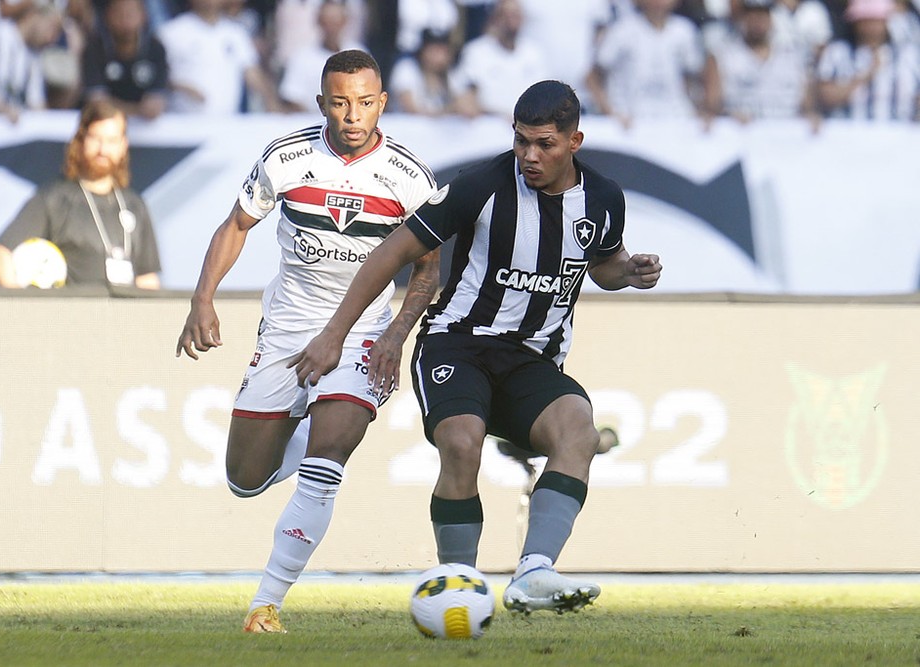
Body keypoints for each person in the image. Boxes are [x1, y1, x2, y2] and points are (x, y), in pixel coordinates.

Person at [293, 80, 662, 615]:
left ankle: (534, 573)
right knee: (462, 443)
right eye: (521, 141)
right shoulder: (482, 185)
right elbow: (391, 252)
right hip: (458, 344)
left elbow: (603, 264)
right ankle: (458, 586)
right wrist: (336, 334)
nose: (529, 156)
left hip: (533, 358)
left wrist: (630, 272)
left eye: (544, 144)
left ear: (574, 142)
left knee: (579, 430)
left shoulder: (603, 199)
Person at [174, 49, 439, 633]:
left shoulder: (409, 177)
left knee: (328, 459)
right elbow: (236, 225)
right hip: (288, 330)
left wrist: (396, 334)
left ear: (382, 103)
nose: (353, 115)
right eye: (340, 103)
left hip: (363, 332)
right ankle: (303, 425)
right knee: (244, 481)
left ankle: (266, 603)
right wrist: (202, 298)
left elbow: (428, 269)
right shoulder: (286, 158)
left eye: (364, 103)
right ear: (322, 103)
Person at [0, 99, 162, 288]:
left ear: (123, 145)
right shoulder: (54, 199)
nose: (103, 150)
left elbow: (147, 278)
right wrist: (19, 302)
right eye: (95, 138)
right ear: (80, 140)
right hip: (74, 306)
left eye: (112, 141)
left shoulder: (135, 204)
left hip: (126, 306)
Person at [586, 0, 717, 129]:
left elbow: (696, 76)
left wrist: (704, 111)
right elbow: (592, 76)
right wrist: (609, 112)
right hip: (630, 121)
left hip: (677, 119)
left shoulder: (684, 31)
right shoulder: (622, 30)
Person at [158, 0, 280, 114]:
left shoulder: (236, 33)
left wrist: (270, 100)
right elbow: (158, 76)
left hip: (227, 120)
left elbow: (252, 73)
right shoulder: (171, 32)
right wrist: (181, 87)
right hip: (182, 120)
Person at [816, 0, 920, 121]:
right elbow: (825, 98)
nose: (871, 27)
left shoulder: (908, 56)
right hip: (847, 130)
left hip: (898, 130)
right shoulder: (837, 52)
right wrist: (867, 75)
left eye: (876, 20)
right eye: (865, 20)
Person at [0, 3, 62, 122]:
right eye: (52, 28)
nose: (51, 39)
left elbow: (37, 103)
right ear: (35, 16)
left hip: (13, 123)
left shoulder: (34, 58)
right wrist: (0, 107)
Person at [452, 0, 548, 119]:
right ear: (495, 18)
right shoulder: (476, 52)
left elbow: (545, 96)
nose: (511, 20)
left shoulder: (533, 53)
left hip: (527, 123)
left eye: (515, 15)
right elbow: (464, 97)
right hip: (488, 122)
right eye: (506, 15)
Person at [82, 0, 170, 120]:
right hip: (104, 124)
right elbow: (96, 102)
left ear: (143, 16)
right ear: (107, 15)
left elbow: (155, 103)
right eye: (119, 13)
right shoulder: (94, 48)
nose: (125, 20)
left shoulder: (156, 49)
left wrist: (119, 107)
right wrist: (137, 111)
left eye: (130, 14)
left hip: (146, 128)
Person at [278, 0, 367, 113]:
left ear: (344, 22)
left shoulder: (359, 54)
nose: (331, 27)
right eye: (327, 22)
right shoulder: (302, 58)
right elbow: (293, 99)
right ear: (319, 22)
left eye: (335, 21)